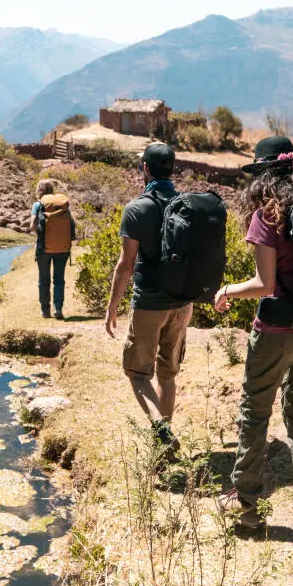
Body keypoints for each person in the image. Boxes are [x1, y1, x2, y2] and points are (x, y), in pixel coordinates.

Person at [213, 135, 293, 533]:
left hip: (279, 326)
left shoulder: (267, 216)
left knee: (254, 411)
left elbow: (265, 284)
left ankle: (245, 502)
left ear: (262, 177)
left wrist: (227, 290)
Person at [104, 142, 190, 452]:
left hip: (150, 304)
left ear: (145, 168)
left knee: (138, 373)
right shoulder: (187, 205)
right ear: (172, 169)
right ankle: (163, 447)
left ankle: (160, 429)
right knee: (167, 373)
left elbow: (126, 265)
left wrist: (112, 307)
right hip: (183, 304)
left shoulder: (137, 209)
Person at [29, 179, 75, 319]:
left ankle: (45, 310)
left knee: (44, 280)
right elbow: (72, 224)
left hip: (44, 249)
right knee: (59, 279)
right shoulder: (62, 205)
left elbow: (32, 225)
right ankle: (58, 309)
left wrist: (40, 233)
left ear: (40, 191)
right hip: (62, 249)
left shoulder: (38, 204)